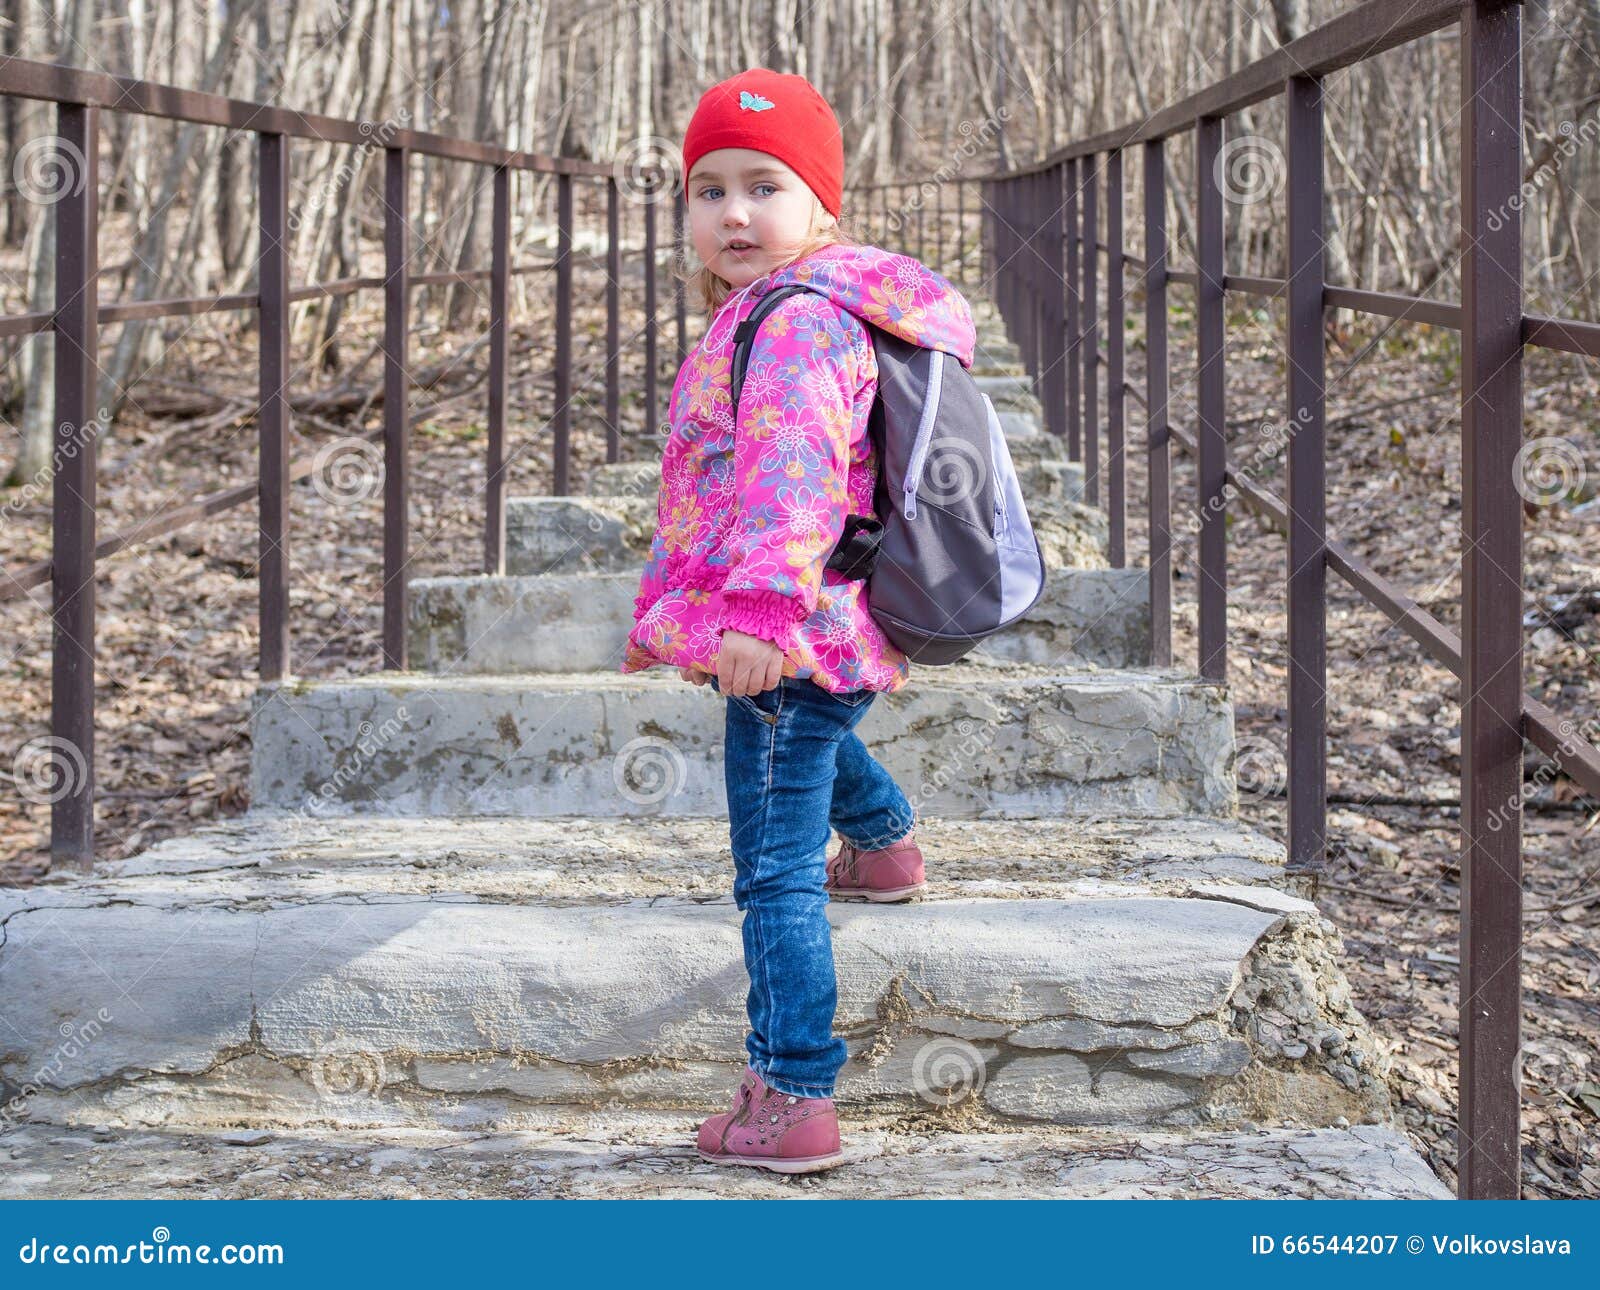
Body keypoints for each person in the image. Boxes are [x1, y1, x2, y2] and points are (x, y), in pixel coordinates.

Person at [618, 67, 977, 1173]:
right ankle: (882, 849)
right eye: (707, 188)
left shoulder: (795, 323)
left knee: (772, 868)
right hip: (832, 632)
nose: (732, 213)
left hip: (790, 627)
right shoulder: (798, 307)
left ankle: (791, 1094)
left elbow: (793, 476)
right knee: (814, 740)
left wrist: (757, 615)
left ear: (823, 206)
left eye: (763, 186)